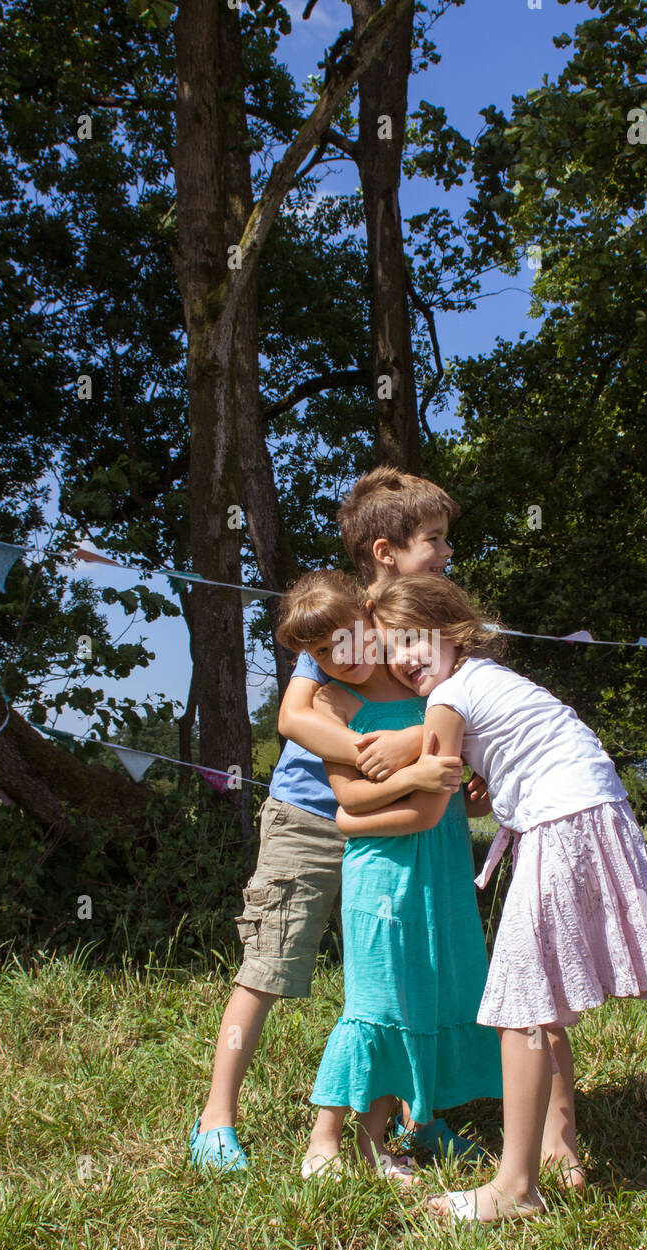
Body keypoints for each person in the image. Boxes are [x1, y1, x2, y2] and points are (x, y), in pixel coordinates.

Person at [335, 574, 647, 1222]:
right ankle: (559, 1152)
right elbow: (520, 753)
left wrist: (358, 810)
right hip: (591, 811)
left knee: (521, 1001)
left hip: (563, 820)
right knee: (538, 999)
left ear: (449, 628)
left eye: (412, 640)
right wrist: (491, 788)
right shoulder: (485, 680)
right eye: (392, 650)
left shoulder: (448, 698)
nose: (405, 659)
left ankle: (514, 1189)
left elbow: (429, 799)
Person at [189, 469, 471, 1174]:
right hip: (311, 817)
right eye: (433, 542)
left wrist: (426, 764)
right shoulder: (337, 619)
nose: (445, 555)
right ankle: (215, 1119)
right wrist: (381, 755)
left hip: (397, 827)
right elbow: (291, 717)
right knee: (271, 962)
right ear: (385, 551)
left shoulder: (415, 627)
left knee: (400, 971)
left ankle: (412, 1119)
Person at [276, 570, 502, 1181]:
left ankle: (419, 1122)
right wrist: (414, 779)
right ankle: (331, 1141)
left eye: (343, 640)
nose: (335, 659)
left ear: (370, 614)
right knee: (377, 1000)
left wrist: (469, 791)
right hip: (381, 870)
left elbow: (464, 795)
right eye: (320, 653)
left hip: (446, 865)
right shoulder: (333, 703)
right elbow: (348, 799)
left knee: (432, 988)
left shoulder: (433, 686)